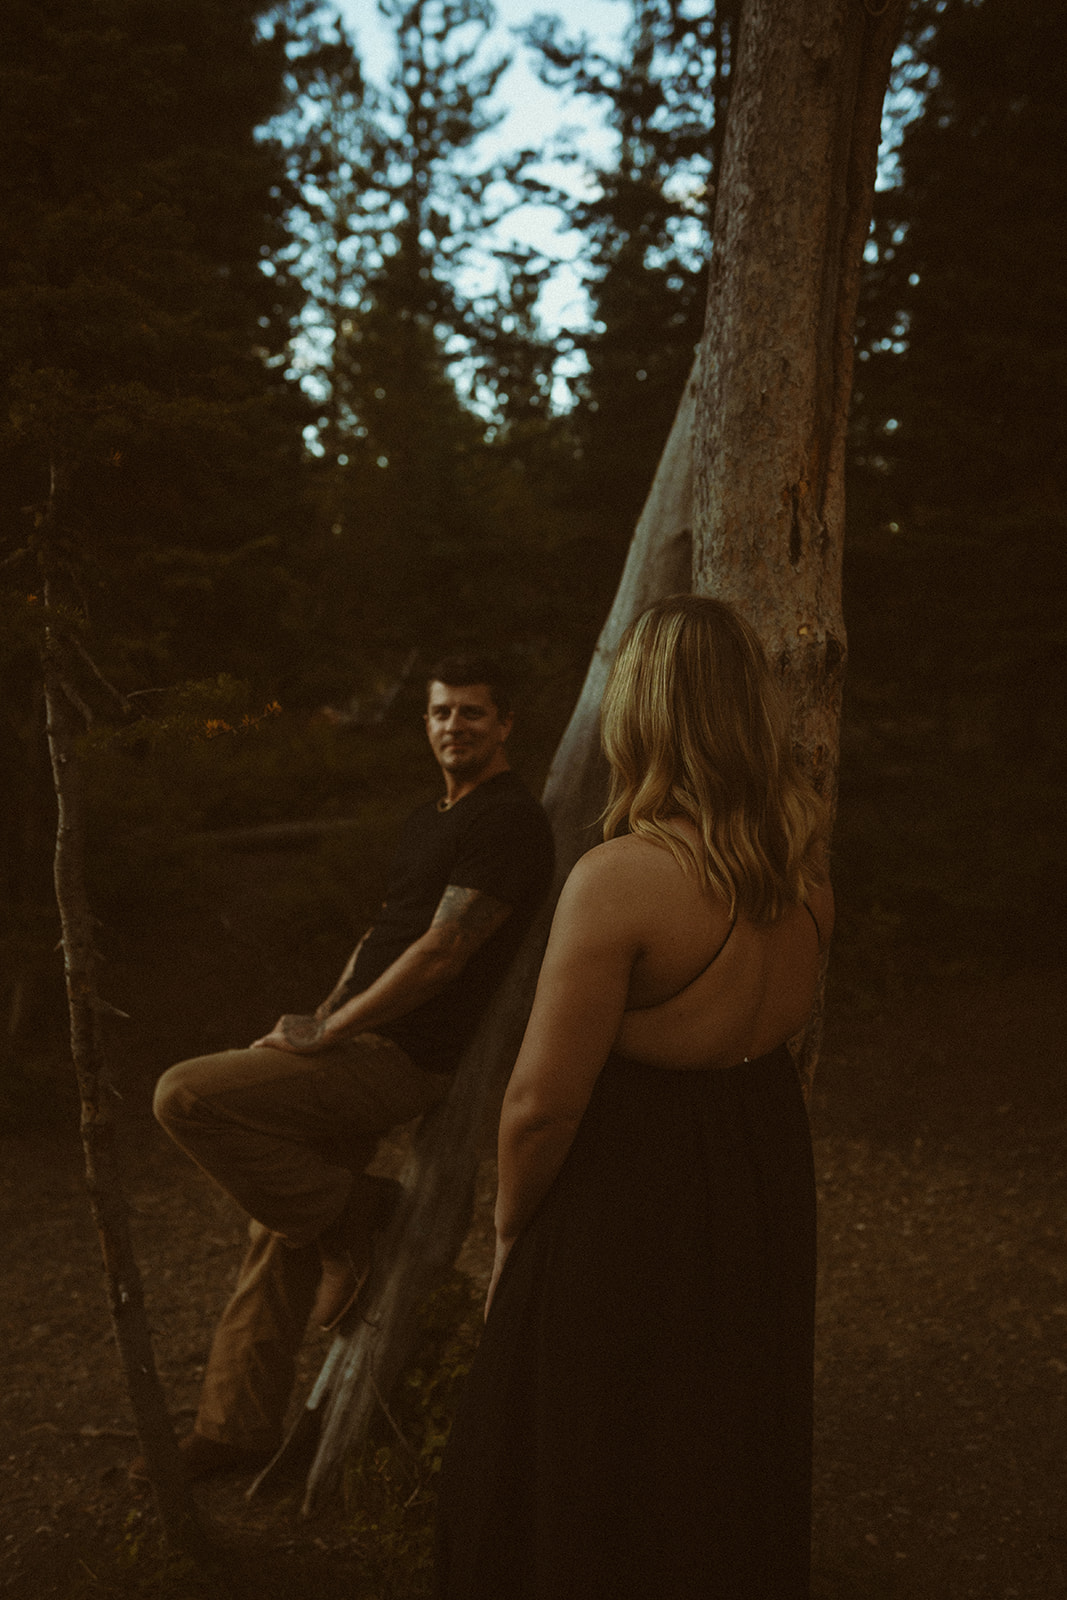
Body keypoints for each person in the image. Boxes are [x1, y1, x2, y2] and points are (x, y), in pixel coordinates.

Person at [435, 597, 834, 1600]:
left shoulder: (621, 877)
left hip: (634, 1184)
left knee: (584, 1450)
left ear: (639, 711)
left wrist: (509, 1235)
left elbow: (539, 1102)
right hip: (758, 1169)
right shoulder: (803, 871)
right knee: (719, 1439)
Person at [136, 656, 554, 1485]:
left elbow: (443, 951)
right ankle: (235, 1429)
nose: (454, 726)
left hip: (403, 1058)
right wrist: (312, 1021)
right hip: (355, 1041)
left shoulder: (508, 820)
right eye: (441, 712)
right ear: (424, 722)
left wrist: (334, 1030)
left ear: (505, 724)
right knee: (278, 1226)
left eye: (472, 713)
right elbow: (382, 937)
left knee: (182, 1096)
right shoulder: (429, 818)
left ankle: (359, 1211)